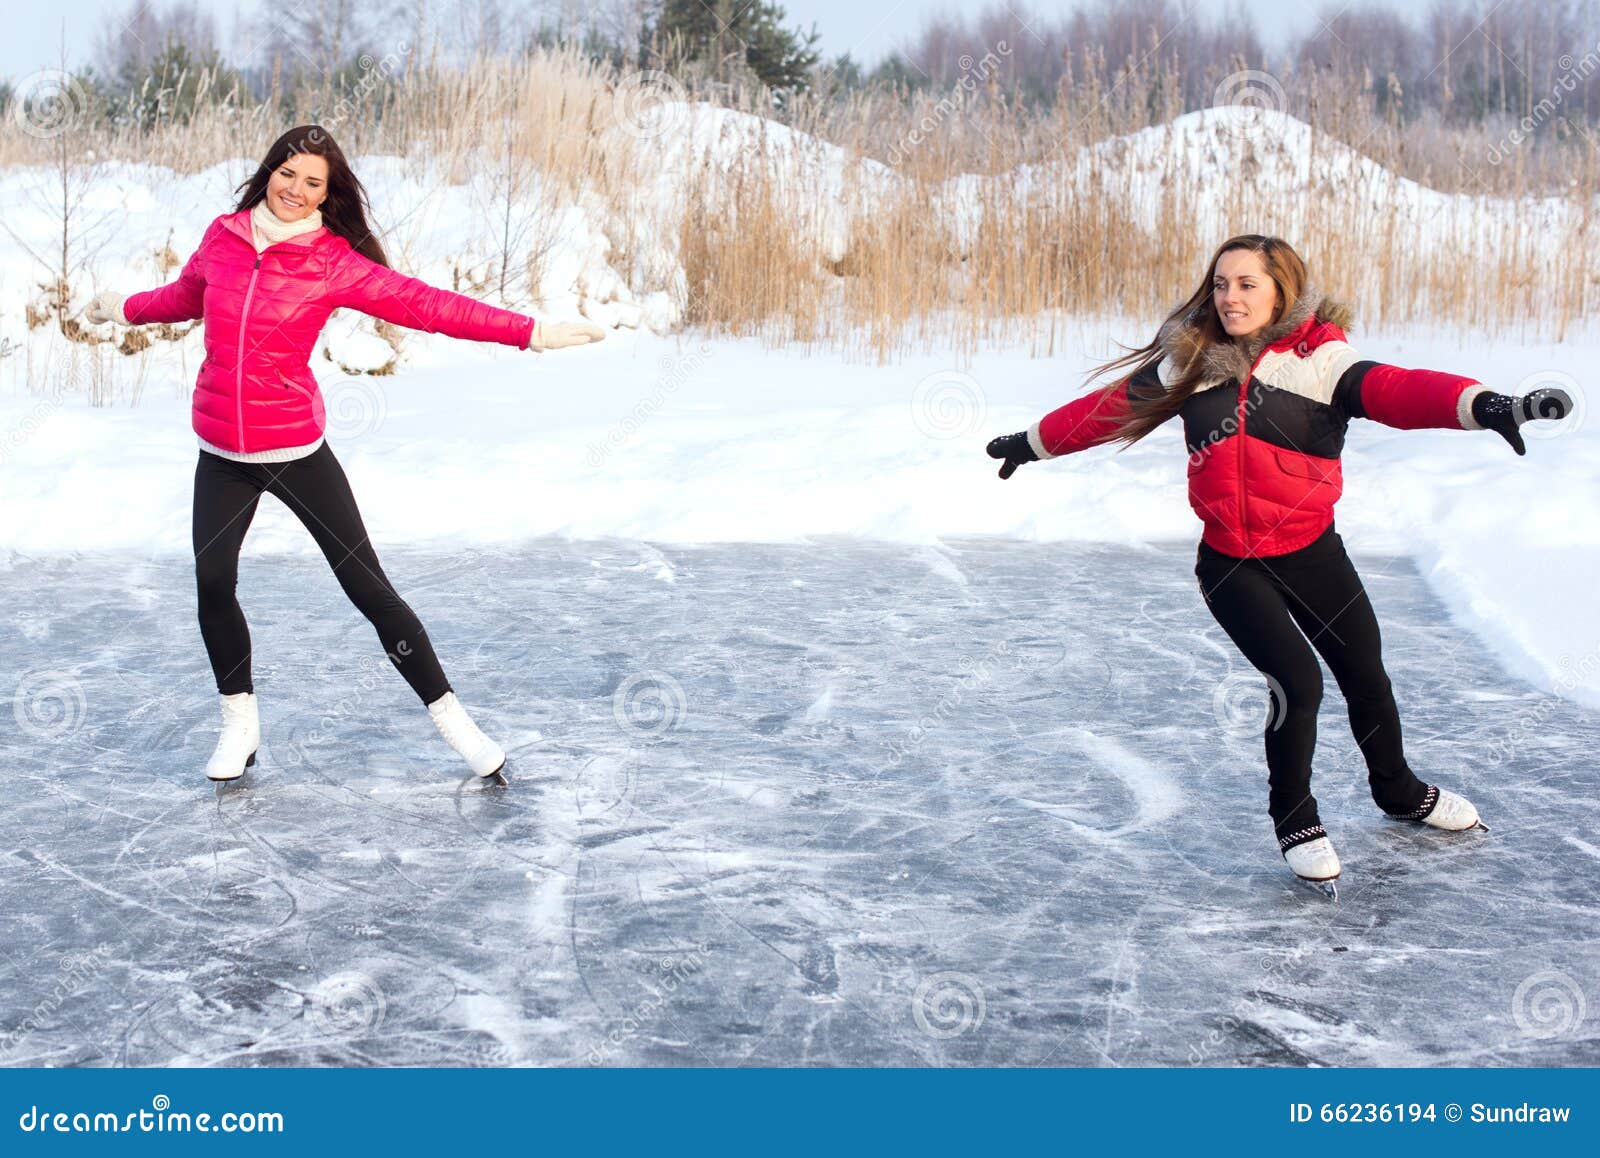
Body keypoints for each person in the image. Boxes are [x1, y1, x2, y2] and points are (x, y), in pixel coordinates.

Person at [986, 234, 1571, 897]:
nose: (1229, 297)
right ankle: (1295, 818)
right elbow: (1107, 411)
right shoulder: (1192, 362)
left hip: (1313, 554)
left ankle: (1399, 790)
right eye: (1220, 284)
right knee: (1297, 680)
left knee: (1365, 675)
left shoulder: (1321, 361)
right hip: (1231, 565)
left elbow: (1397, 389)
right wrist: (1031, 444)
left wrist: (1485, 405)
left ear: (1281, 292)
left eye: (1247, 284)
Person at [85, 124, 606, 786]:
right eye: (287, 174)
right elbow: (182, 298)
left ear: (327, 195)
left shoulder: (331, 261)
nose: (295, 190)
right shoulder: (223, 237)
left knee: (368, 588)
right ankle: (239, 726)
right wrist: (120, 308)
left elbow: (427, 305)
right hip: (221, 451)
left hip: (295, 448)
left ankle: (459, 727)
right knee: (213, 583)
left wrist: (531, 333)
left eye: (313, 183)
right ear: (269, 171)